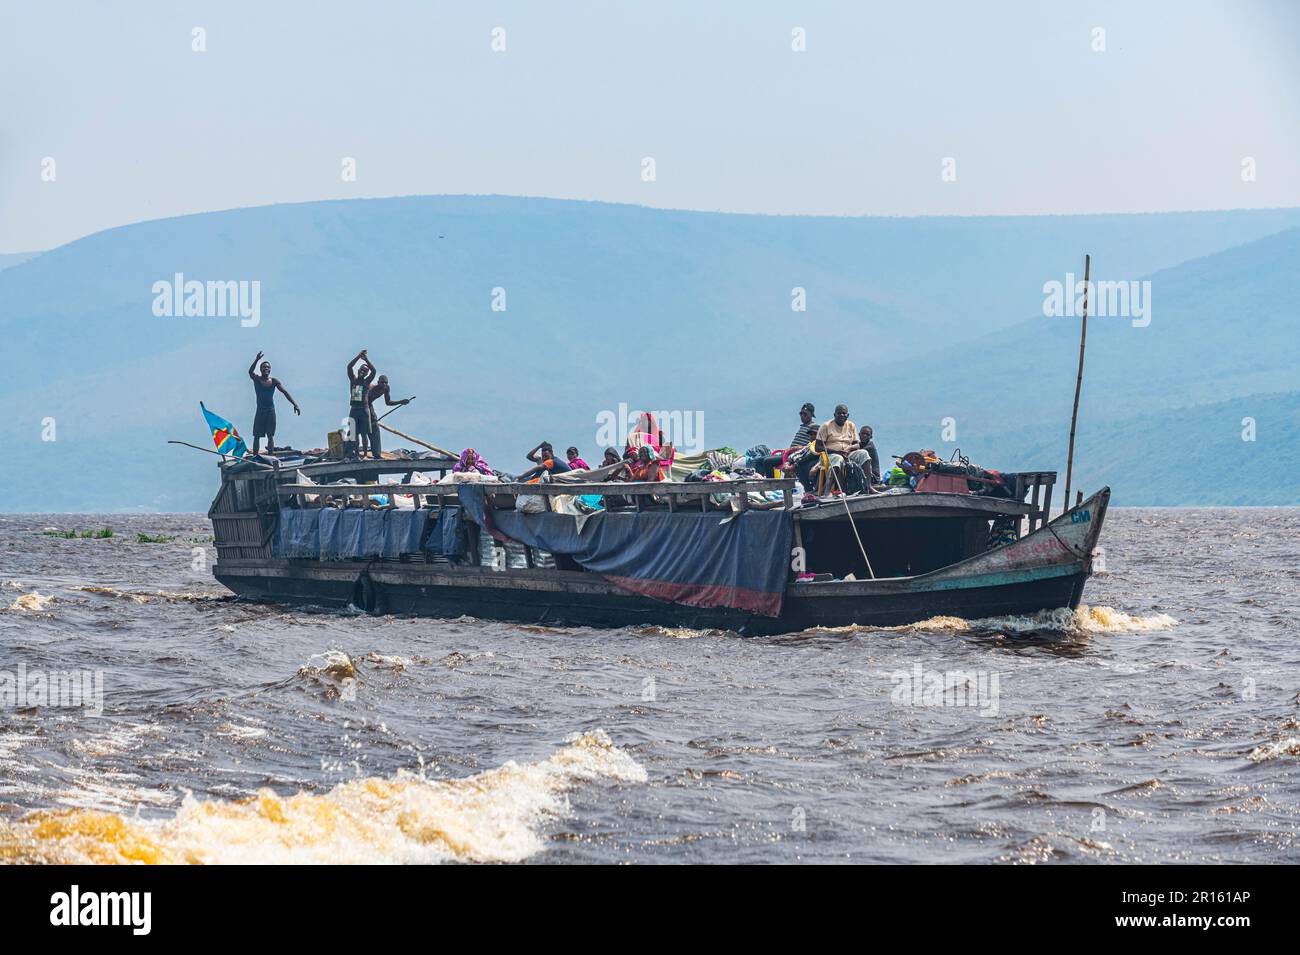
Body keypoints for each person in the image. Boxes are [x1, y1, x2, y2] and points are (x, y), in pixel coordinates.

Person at [797, 404, 859, 495]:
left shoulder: (851, 425)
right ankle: (827, 491)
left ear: (847, 415)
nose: (841, 415)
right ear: (834, 415)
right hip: (830, 455)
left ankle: (868, 487)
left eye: (844, 413)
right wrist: (836, 451)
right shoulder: (826, 426)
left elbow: (857, 444)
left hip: (847, 453)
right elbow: (818, 448)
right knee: (838, 458)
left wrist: (849, 448)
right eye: (839, 413)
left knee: (863, 454)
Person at [247, 351, 300, 455]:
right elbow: (250, 372)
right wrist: (257, 359)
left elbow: (285, 392)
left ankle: (270, 456)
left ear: (270, 369)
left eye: (267, 367)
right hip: (260, 411)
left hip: (270, 410)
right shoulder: (257, 379)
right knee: (256, 435)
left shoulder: (274, 381)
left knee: (270, 435)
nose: (266, 369)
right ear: (260, 369)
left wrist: (295, 404)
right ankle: (255, 457)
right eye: (263, 367)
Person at [757, 402, 817, 477]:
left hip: (793, 455)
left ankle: (771, 485)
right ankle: (759, 482)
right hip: (787, 453)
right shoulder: (803, 426)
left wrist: (795, 449)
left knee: (767, 461)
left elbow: (811, 445)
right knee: (759, 461)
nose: (802, 416)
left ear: (811, 415)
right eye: (801, 414)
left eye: (805, 414)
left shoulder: (813, 428)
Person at [365, 374, 412, 458]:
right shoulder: (371, 388)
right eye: (382, 382)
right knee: (364, 428)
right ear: (378, 382)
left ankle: (377, 454)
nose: (384, 384)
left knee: (375, 428)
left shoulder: (386, 388)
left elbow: (388, 402)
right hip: (362, 405)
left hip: (369, 405)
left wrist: (401, 402)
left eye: (385, 383)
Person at [346, 349, 377, 458]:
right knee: (354, 434)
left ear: (366, 374)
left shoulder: (366, 382)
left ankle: (364, 454)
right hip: (354, 409)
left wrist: (366, 360)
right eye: (361, 370)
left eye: (365, 371)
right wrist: (358, 357)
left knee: (364, 434)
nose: (362, 372)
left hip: (363, 410)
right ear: (358, 370)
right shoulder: (353, 380)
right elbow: (349, 367)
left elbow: (374, 371)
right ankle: (356, 454)